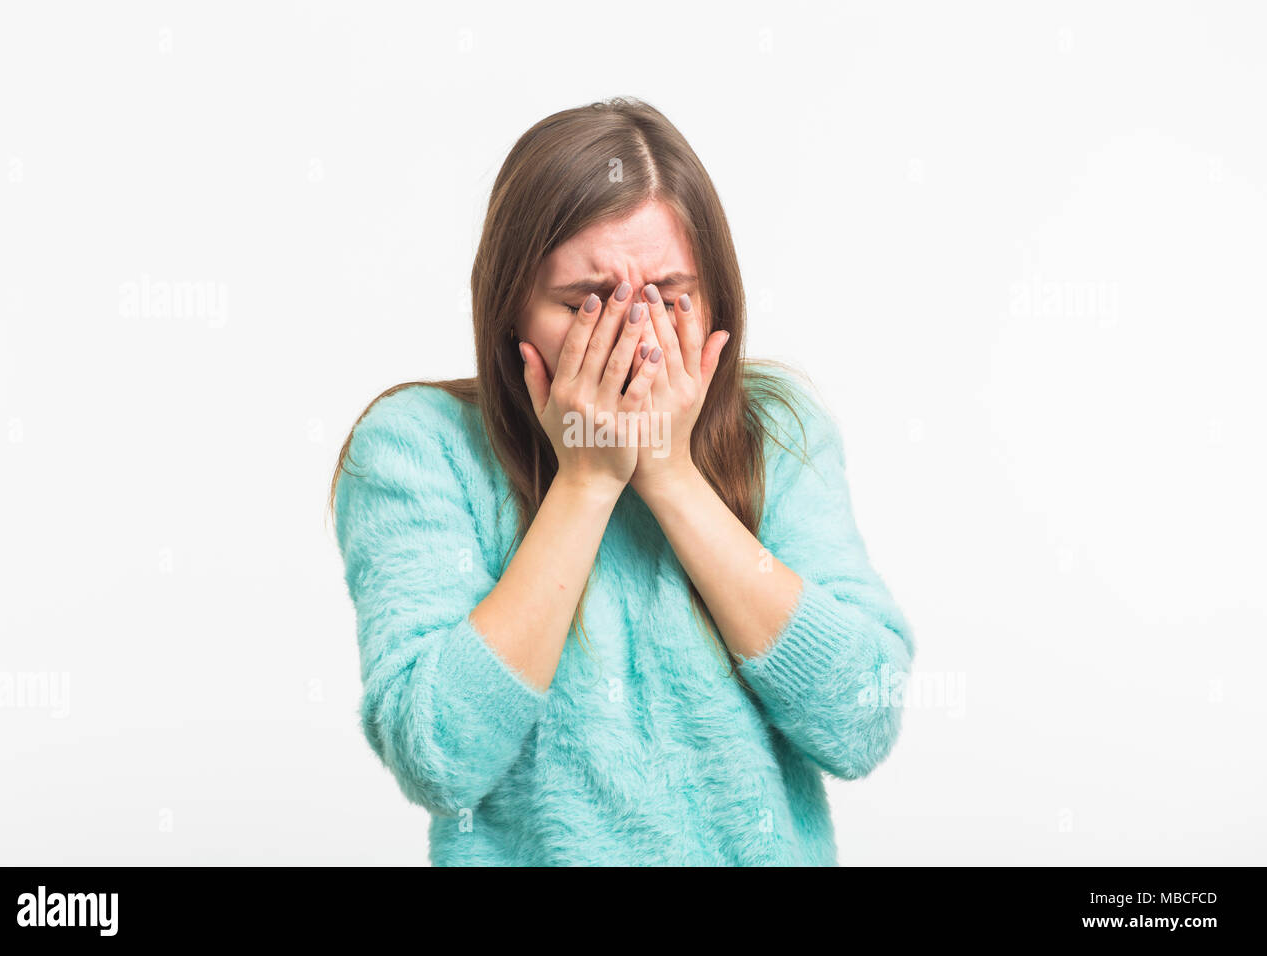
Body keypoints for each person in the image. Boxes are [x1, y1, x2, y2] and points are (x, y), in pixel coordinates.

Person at [330, 96, 915, 866]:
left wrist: (671, 475)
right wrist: (586, 482)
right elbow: (439, 753)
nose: (636, 338)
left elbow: (860, 718)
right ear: (511, 310)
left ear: (715, 301)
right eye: (588, 304)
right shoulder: (417, 448)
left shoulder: (776, 430)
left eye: (670, 299)